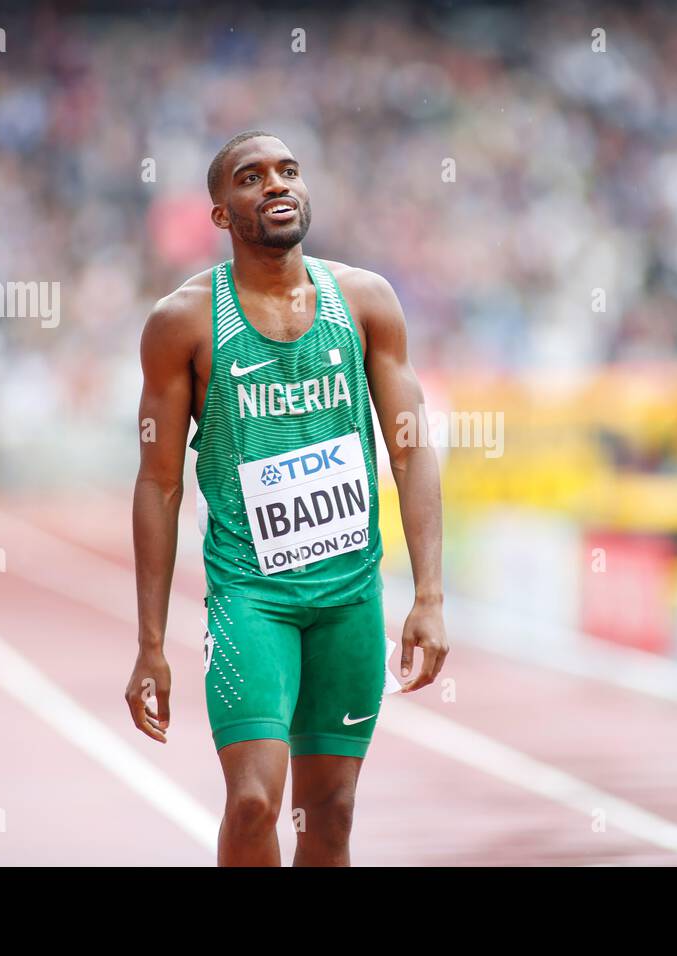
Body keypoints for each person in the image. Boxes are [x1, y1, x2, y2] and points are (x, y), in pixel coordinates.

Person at [125, 130, 448, 864]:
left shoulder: (366, 300)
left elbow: (409, 447)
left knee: (330, 813)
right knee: (251, 803)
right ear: (220, 213)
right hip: (251, 599)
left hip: (350, 597)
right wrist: (149, 645)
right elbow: (158, 482)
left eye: (289, 171)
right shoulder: (183, 320)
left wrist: (429, 595)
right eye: (251, 176)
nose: (276, 185)